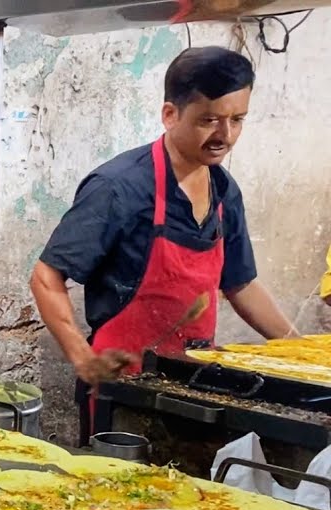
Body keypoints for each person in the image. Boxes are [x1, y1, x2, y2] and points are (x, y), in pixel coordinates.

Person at [29, 46, 296, 446]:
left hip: (194, 386)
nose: (225, 136)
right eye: (209, 120)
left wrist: (300, 350)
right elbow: (46, 277)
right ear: (170, 114)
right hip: (124, 391)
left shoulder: (224, 191)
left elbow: (240, 284)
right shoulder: (119, 188)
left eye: (237, 120)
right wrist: (81, 358)